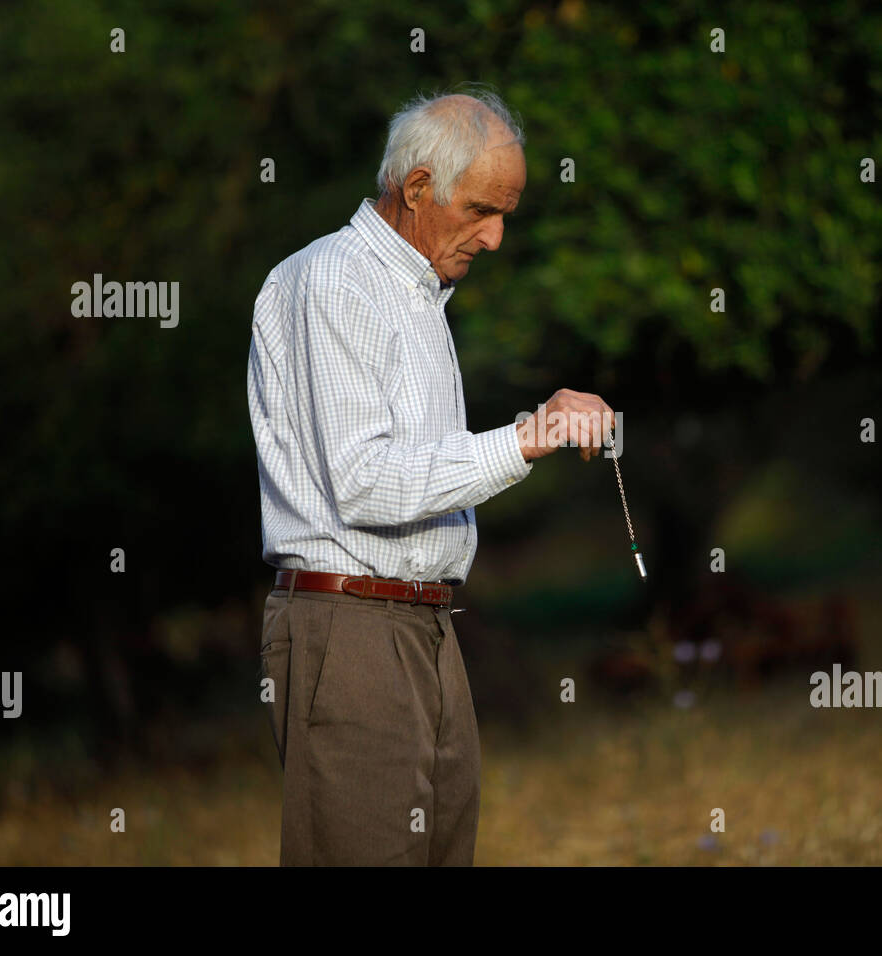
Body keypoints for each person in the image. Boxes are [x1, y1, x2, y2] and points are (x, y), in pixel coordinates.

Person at [246, 88, 613, 865]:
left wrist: (533, 425)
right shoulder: (336, 282)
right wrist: (528, 438)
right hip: (349, 631)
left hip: (423, 624)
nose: (497, 237)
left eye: (507, 213)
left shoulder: (416, 295)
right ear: (416, 188)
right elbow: (367, 483)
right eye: (482, 210)